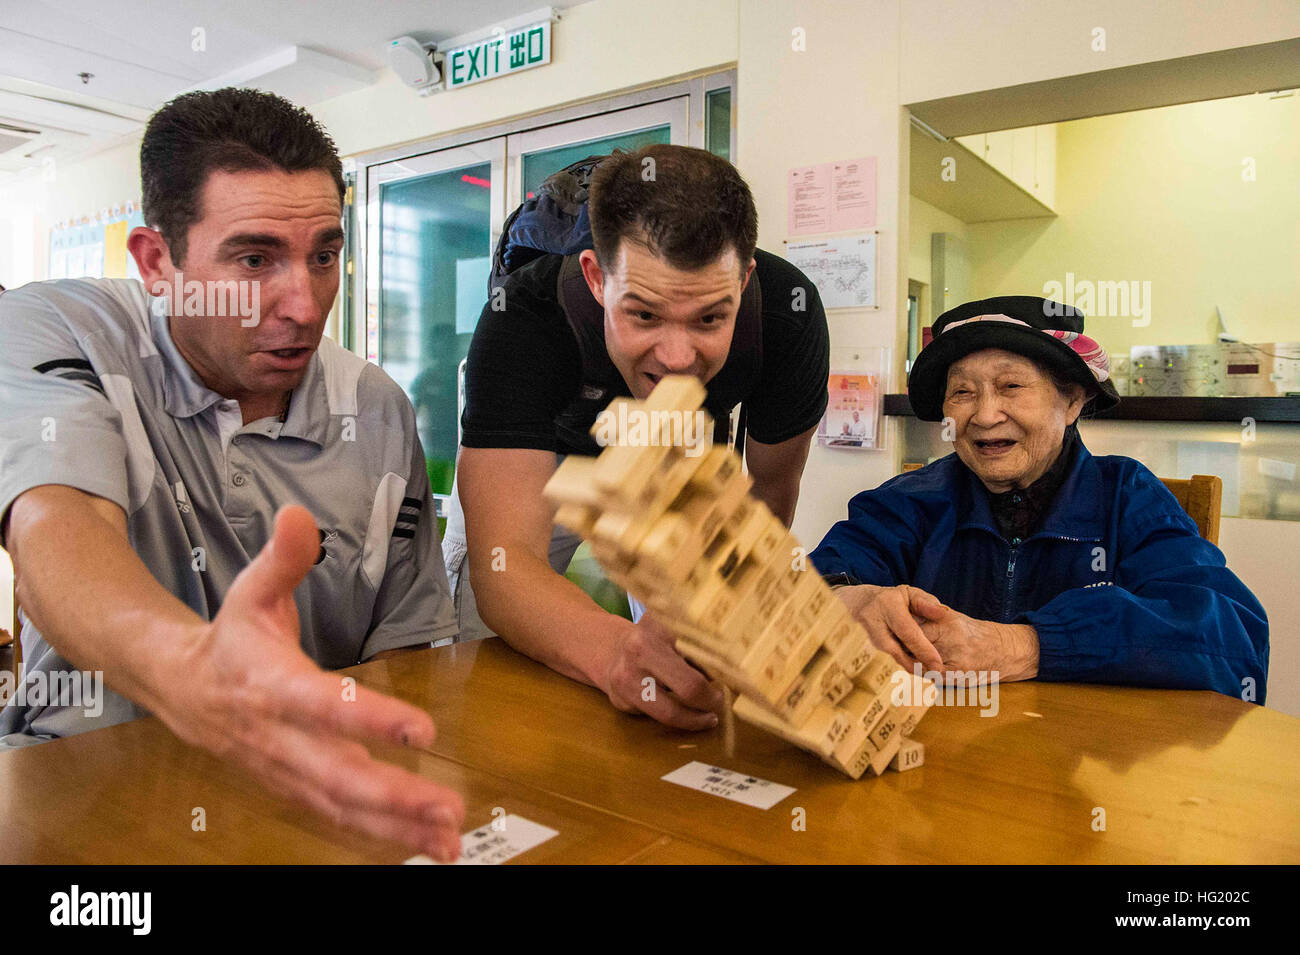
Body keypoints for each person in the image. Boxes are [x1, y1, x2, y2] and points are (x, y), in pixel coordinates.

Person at [0, 88, 464, 861]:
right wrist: (191, 669)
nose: (304, 304)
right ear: (158, 262)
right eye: (254, 259)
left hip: (306, 803)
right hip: (79, 786)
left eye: (324, 255)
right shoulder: (57, 329)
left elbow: (410, 660)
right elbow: (57, 524)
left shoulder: (377, 408)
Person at [447, 144, 829, 730]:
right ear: (597, 278)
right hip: (545, 465)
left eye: (709, 319)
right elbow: (505, 567)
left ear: (745, 278)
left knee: (699, 664)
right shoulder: (522, 317)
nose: (677, 359)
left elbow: (768, 495)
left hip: (675, 460)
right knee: (484, 661)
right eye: (644, 315)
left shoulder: (787, 316)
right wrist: (610, 653)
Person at [811, 296, 1268, 701]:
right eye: (963, 392)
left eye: (1011, 386)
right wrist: (846, 601)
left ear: (1072, 402)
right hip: (941, 766)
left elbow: (1234, 638)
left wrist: (1022, 645)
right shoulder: (910, 501)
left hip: (1088, 770)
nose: (985, 415)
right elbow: (803, 590)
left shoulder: (1127, 498)